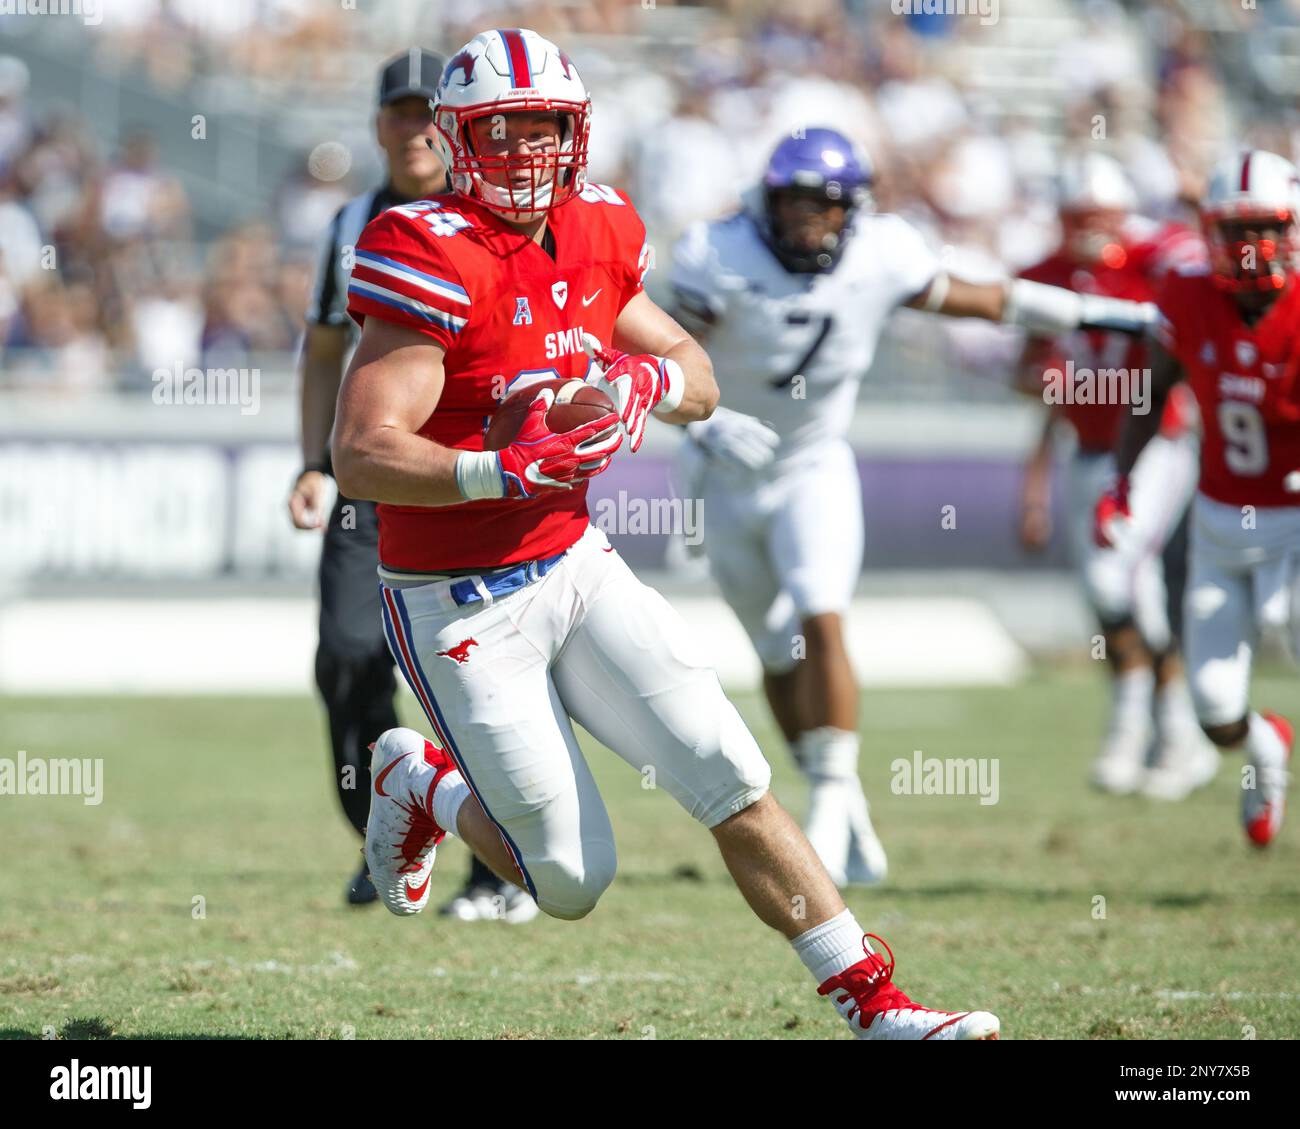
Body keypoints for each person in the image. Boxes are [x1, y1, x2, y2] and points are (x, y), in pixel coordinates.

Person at [333, 29, 1002, 1038]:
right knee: (567, 878)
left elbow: (693, 369)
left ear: (577, 132)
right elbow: (361, 452)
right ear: (457, 140)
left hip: (575, 562)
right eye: (500, 132)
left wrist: (645, 380)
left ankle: (878, 1006)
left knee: (728, 773)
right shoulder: (426, 253)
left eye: (544, 129)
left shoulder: (600, 225)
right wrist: (491, 468)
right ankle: (416, 777)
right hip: (458, 600)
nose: (525, 152)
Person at [667, 128, 1157, 886]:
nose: (807, 221)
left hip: (814, 465)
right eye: (795, 203)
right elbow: (647, 349)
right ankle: (840, 794)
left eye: (824, 207)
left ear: (853, 210)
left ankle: (830, 793)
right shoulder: (715, 254)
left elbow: (988, 300)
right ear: (767, 201)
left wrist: (1102, 314)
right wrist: (701, 420)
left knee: (822, 611)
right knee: (772, 651)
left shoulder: (882, 253)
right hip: (727, 474)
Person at [288, 48, 536, 922]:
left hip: (469, 481)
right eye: (399, 111)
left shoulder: (495, 218)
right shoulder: (352, 221)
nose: (416, 127)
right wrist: (316, 460)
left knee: (475, 675)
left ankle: (502, 865)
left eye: (431, 110)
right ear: (378, 123)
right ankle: (382, 830)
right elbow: (324, 349)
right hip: (373, 481)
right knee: (348, 658)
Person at [1099, 148, 1300, 847]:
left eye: (1265, 228)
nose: (1251, 246)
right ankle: (1264, 739)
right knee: (1216, 713)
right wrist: (1122, 479)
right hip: (1221, 518)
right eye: (1234, 229)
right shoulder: (1186, 295)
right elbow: (1152, 394)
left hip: (1297, 516)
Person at [1017, 151, 1216, 800]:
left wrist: (1196, 202)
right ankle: (1155, 731)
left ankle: (1158, 731)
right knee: (1114, 598)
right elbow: (1031, 374)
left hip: (1158, 440)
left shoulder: (1153, 257)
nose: (1087, 227)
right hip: (1089, 447)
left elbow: (1202, 263)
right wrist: (1035, 479)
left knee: (1119, 574)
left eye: (1098, 214)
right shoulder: (1046, 274)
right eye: (1077, 216)